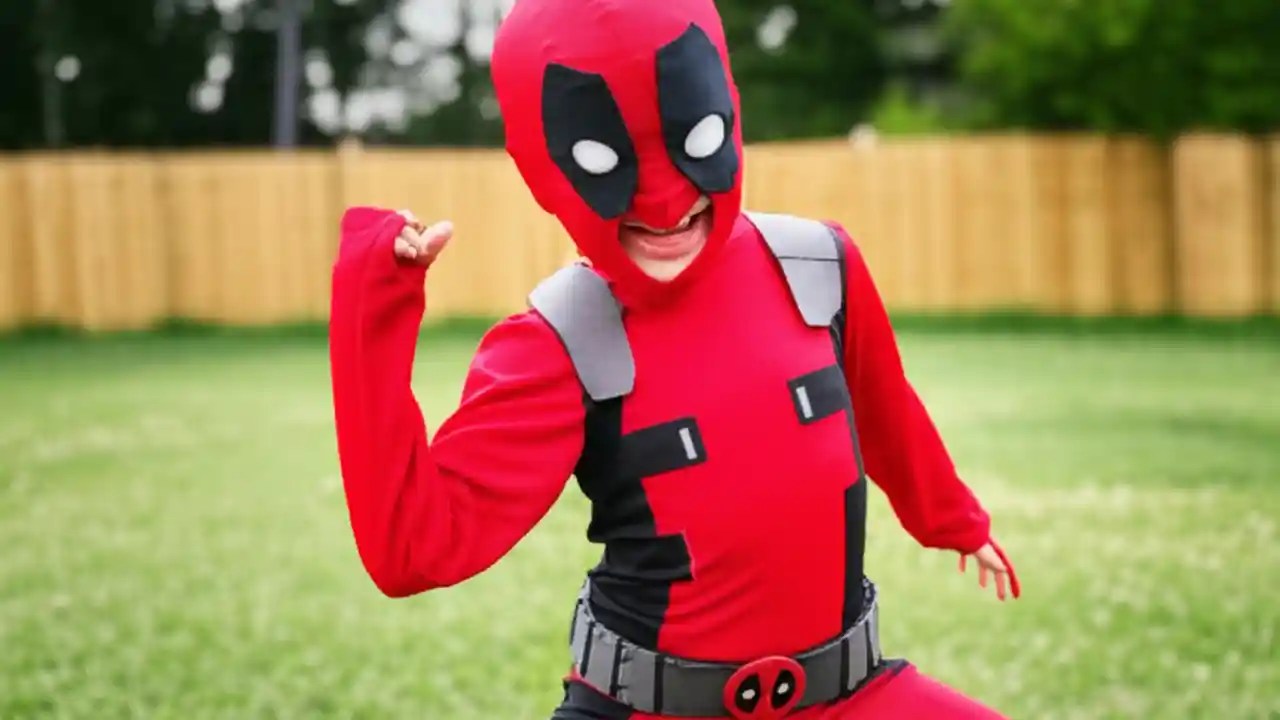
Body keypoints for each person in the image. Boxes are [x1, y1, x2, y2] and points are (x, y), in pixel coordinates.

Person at [328, 1, 1020, 718]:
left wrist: (954, 520)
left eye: (695, 136)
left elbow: (884, 409)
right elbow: (412, 548)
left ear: (728, 107)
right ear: (541, 168)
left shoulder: (818, 267)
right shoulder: (558, 343)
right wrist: (372, 307)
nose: (662, 203)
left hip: (848, 694)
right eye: (605, 159)